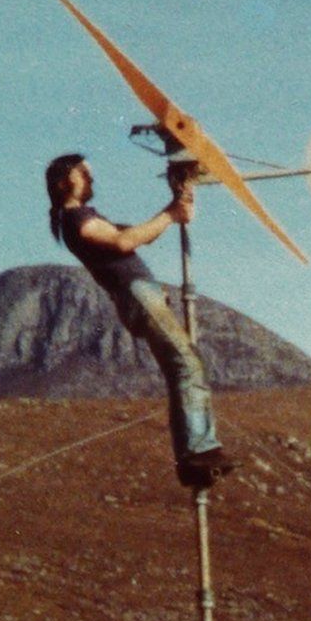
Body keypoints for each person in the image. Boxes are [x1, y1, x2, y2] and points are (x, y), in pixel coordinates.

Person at [45, 153, 235, 488]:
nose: (90, 177)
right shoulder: (76, 218)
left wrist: (176, 205)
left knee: (184, 365)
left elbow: (140, 234)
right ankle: (198, 451)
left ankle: (197, 454)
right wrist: (171, 213)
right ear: (63, 183)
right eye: (82, 172)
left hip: (141, 294)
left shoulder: (86, 217)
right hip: (137, 293)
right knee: (186, 363)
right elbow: (125, 241)